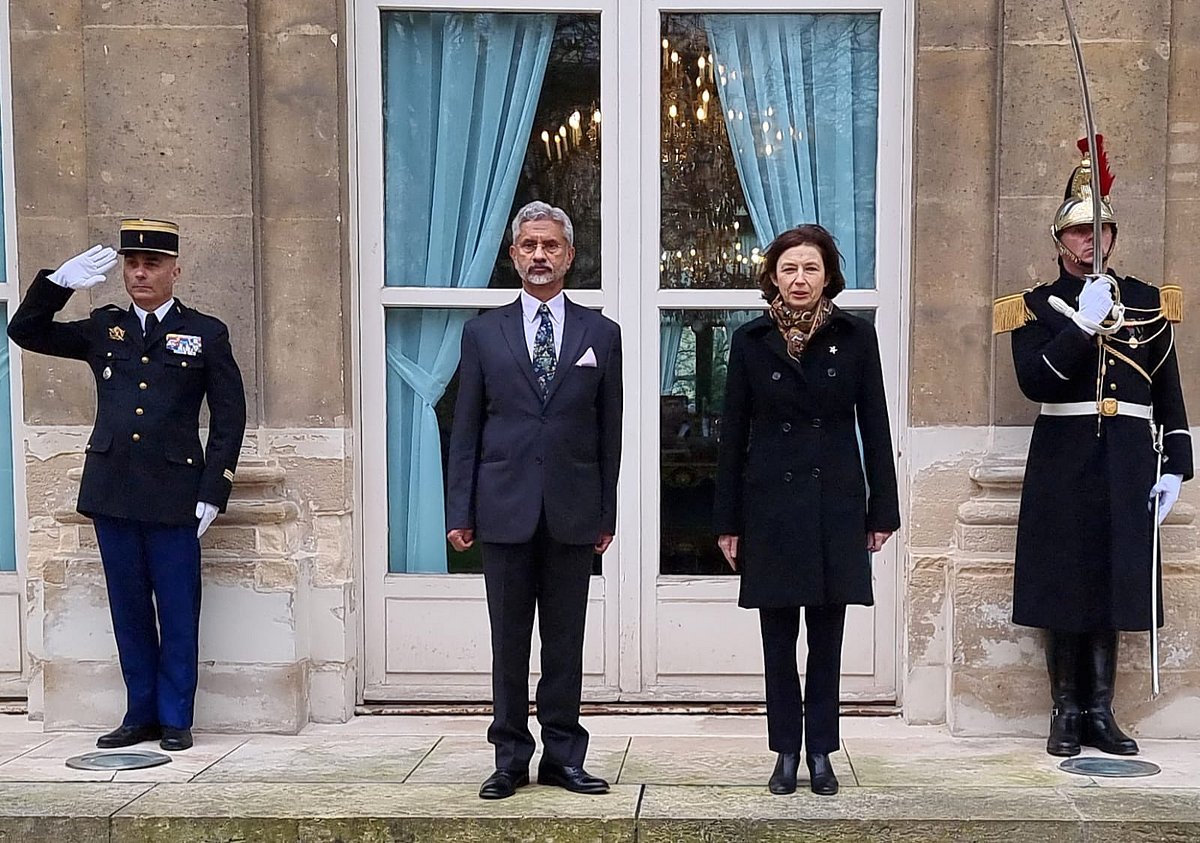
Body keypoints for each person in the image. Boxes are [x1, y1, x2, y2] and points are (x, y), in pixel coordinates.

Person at [8, 219, 247, 752]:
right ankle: (140, 713)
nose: (140, 272)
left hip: (175, 491)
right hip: (113, 488)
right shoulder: (104, 327)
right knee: (129, 607)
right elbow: (25, 332)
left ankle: (175, 716)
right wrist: (57, 284)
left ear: (175, 270)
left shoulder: (206, 332)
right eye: (132, 264)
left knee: (179, 607)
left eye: (152, 264)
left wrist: (215, 489)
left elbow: (230, 415)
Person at [993, 139, 1189, 758]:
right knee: (1064, 581)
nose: (1088, 242)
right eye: (1077, 232)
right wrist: (1079, 325)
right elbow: (1035, 383)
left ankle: (1102, 710)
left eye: (1098, 231)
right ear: (1059, 240)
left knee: (1113, 579)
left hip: (1128, 453)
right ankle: (1066, 711)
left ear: (1111, 237)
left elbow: (1169, 388)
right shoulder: (1031, 308)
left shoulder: (1147, 300)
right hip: (1064, 453)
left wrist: (1178, 464)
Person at [714, 224, 899, 796]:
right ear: (773, 274)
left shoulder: (856, 337)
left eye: (811, 269)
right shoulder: (749, 341)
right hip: (769, 505)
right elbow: (731, 435)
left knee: (827, 636)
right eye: (789, 268)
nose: (800, 280)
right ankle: (785, 752)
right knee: (777, 640)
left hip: (834, 504)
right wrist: (727, 522)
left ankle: (822, 750)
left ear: (828, 277)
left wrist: (882, 510)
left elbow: (875, 422)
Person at [446, 201, 622, 800]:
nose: (540, 256)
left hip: (573, 511)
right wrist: (459, 511)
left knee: (566, 639)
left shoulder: (602, 334)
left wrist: (606, 513)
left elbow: (610, 431)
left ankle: (564, 756)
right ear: (513, 255)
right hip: (503, 508)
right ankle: (509, 757)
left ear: (570, 255)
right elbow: (466, 428)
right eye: (530, 247)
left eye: (551, 246)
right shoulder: (481, 333)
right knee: (509, 639)